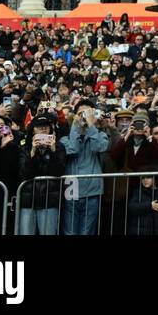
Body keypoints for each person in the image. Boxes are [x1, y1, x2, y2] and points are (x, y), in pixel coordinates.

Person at [61, 100, 110, 235]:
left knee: (86, 232)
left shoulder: (100, 135)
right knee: (69, 231)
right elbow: (72, 149)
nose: (84, 116)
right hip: (72, 187)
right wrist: (76, 126)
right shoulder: (65, 139)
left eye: (88, 113)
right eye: (81, 113)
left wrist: (91, 125)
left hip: (92, 190)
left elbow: (99, 147)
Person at [18, 114, 66, 235]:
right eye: (39, 127)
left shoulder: (59, 146)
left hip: (49, 200)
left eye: (46, 127)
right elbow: (25, 173)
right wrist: (33, 151)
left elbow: (58, 171)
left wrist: (53, 150)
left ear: (50, 129)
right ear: (33, 130)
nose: (43, 129)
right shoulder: (25, 147)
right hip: (28, 200)